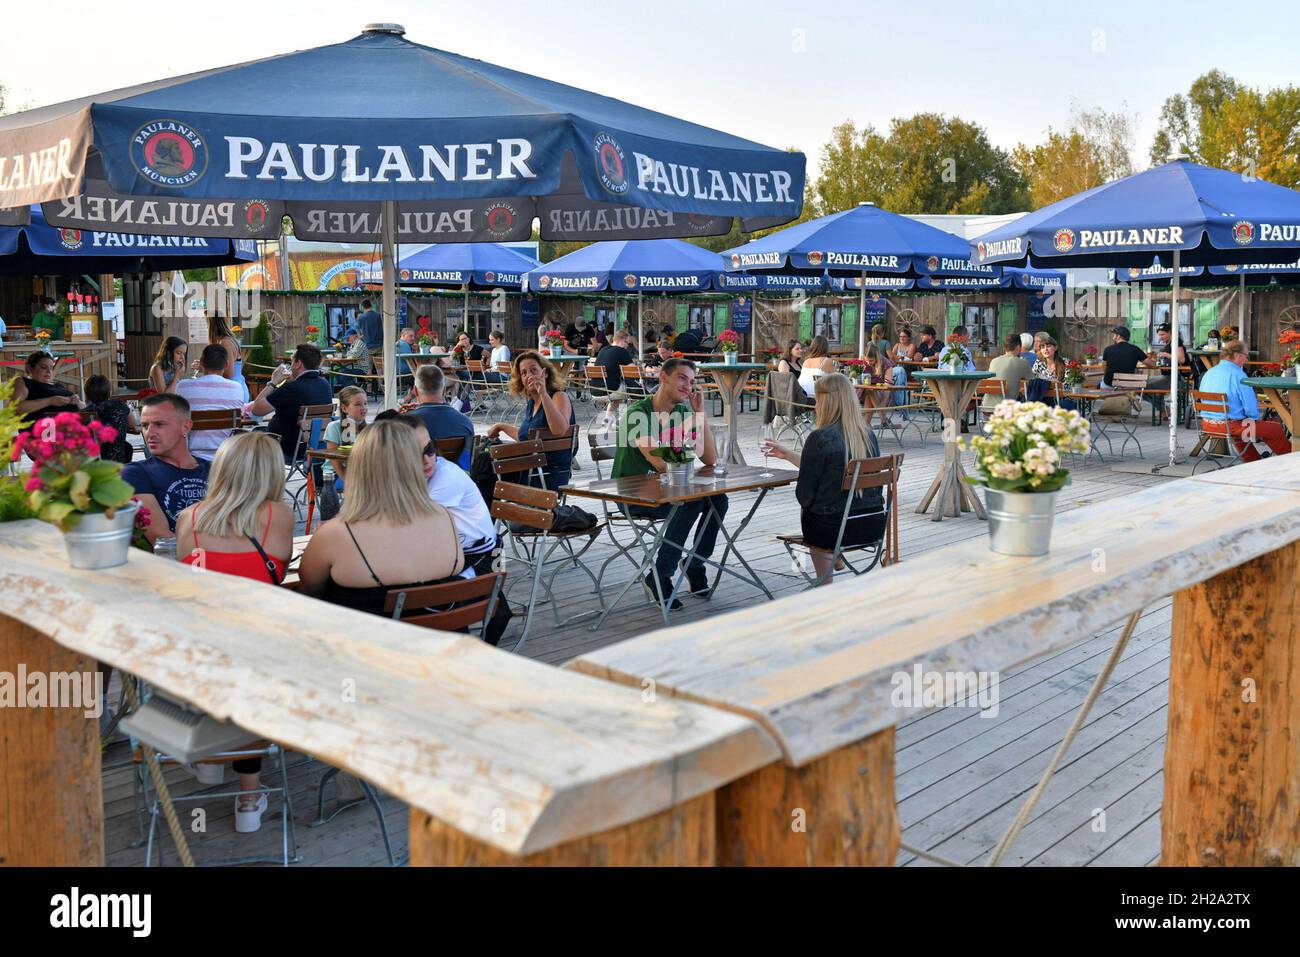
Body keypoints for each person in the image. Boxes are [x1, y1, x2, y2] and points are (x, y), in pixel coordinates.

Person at [173, 431, 293, 832]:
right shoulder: (279, 515)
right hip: (261, 648)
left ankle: (209, 760)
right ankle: (248, 795)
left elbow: (189, 582)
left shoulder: (189, 518)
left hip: (199, 652)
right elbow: (277, 569)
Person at [297, 420, 465, 616]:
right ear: (413, 464)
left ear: (360, 467)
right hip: (445, 641)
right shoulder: (444, 518)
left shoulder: (336, 534)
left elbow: (308, 591)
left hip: (368, 643)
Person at [612, 357, 725, 608]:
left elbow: (709, 458)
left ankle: (695, 562)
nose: (688, 386)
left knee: (718, 499)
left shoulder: (683, 413)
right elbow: (660, 462)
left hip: (672, 490)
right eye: (682, 378)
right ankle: (660, 574)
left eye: (692, 381)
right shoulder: (637, 414)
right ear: (663, 377)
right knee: (690, 504)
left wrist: (699, 414)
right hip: (634, 493)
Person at [762, 373, 886, 583]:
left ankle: (825, 582)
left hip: (831, 529)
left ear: (826, 402)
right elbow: (836, 469)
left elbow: (805, 495)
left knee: (815, 511)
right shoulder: (867, 434)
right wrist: (789, 455)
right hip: (871, 524)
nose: (815, 406)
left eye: (817, 400)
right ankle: (834, 557)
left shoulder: (819, 438)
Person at [386, 414, 498, 577]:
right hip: (451, 555)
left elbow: (404, 527)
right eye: (414, 453)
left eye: (429, 449)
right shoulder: (410, 476)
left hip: (481, 560)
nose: (426, 459)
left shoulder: (446, 477)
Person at [122, 393, 210, 541]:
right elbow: (162, 539)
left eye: (159, 424)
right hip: (178, 562)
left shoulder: (216, 470)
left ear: (185, 427)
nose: (149, 433)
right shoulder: (136, 473)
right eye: (145, 426)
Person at [487, 351, 576, 490]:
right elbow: (527, 437)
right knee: (484, 463)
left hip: (546, 474)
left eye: (533, 370)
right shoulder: (532, 403)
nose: (529, 375)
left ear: (545, 373)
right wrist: (501, 426)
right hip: (529, 469)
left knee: (486, 470)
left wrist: (543, 393)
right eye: (524, 373)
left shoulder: (559, 396)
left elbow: (560, 430)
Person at [1198, 340, 1291, 461]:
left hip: (1207, 425)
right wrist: (1254, 419)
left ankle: (1252, 461)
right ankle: (1292, 461)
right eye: (1246, 356)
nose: (1247, 359)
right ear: (1236, 355)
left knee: (1242, 430)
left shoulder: (1208, 373)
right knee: (1275, 429)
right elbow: (1251, 408)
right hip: (1231, 426)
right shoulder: (1238, 375)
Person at [249, 344, 333, 460]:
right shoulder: (325, 385)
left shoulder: (292, 389)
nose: (291, 366)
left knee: (253, 434)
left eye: (292, 362)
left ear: (298, 364)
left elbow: (256, 410)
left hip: (285, 447)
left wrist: (273, 382)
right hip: (315, 447)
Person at [176, 343, 246, 461]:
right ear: (227, 364)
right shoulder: (237, 388)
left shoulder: (183, 386)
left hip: (190, 453)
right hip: (226, 452)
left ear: (201, 362)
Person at [409, 363, 475, 470]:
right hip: (456, 480)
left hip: (420, 482)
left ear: (416, 391)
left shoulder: (406, 423)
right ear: (444, 391)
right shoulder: (465, 422)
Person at [12, 350, 83, 430]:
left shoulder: (58, 385)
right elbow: (15, 409)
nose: (49, 371)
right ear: (30, 368)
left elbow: (83, 408)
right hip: (45, 434)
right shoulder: (24, 382)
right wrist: (50, 401)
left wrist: (77, 402)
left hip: (71, 430)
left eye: (51, 368)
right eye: (44, 367)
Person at [85, 374, 137, 464]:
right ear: (109, 391)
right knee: (127, 447)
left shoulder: (86, 413)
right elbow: (133, 424)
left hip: (93, 462)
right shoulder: (119, 404)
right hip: (118, 459)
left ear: (87, 394)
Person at [985, 333, 1033, 411]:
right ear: (1018, 347)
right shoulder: (1022, 362)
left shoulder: (994, 361)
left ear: (1005, 348)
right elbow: (1032, 381)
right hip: (1007, 409)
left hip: (986, 408)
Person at [207, 314, 248, 402]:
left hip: (233, 392)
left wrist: (207, 368)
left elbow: (229, 374)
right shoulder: (229, 339)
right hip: (237, 388)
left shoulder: (225, 342)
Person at [1026, 334, 1075, 409]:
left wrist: (1046, 384)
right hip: (1044, 399)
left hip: (1063, 399)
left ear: (1055, 348)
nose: (1045, 349)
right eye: (1043, 347)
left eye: (1048, 346)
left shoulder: (1066, 362)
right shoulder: (1039, 363)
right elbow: (1033, 381)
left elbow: (1069, 386)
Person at [859, 343, 895, 427]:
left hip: (882, 393)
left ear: (877, 358)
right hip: (864, 392)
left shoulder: (886, 364)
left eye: (871, 361)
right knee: (869, 391)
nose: (869, 363)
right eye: (867, 360)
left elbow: (888, 386)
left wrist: (882, 404)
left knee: (870, 392)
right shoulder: (864, 362)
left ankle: (866, 426)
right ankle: (882, 418)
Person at [594, 329, 635, 396]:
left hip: (594, 390)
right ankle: (639, 405)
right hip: (610, 390)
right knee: (634, 389)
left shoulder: (603, 349)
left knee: (616, 400)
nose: (627, 346)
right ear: (622, 341)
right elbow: (634, 370)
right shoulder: (621, 351)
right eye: (627, 343)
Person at [357, 298, 384, 394]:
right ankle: (381, 388)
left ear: (363, 307)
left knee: (368, 368)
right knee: (380, 368)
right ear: (371, 305)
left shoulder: (361, 318)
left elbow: (361, 332)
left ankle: (369, 389)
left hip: (368, 346)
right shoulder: (378, 316)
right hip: (380, 345)